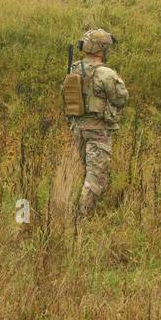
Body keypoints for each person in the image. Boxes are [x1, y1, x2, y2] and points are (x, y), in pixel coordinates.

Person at [64, 28, 129, 219]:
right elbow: (121, 98)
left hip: (78, 128)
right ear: (102, 49)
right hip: (98, 130)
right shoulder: (105, 73)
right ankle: (82, 218)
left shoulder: (74, 68)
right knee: (95, 177)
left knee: (88, 171)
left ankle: (88, 211)